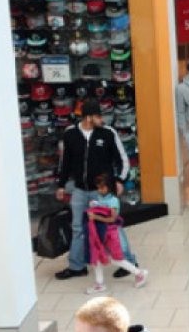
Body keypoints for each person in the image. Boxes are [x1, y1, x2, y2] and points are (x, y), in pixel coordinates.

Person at [55, 98, 133, 278]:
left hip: (103, 192)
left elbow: (123, 160)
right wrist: (61, 185)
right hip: (80, 190)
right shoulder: (70, 134)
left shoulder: (107, 133)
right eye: (99, 116)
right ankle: (77, 267)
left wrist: (120, 180)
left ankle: (128, 262)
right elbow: (65, 163)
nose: (102, 120)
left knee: (112, 227)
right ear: (89, 117)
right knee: (77, 228)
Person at [84, 173, 148, 294]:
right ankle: (99, 283)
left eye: (102, 187)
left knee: (115, 258)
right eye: (98, 187)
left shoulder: (113, 201)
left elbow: (112, 219)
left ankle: (139, 273)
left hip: (110, 233)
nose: (100, 190)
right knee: (97, 256)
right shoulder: (101, 198)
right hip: (102, 233)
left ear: (109, 187)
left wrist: (95, 216)